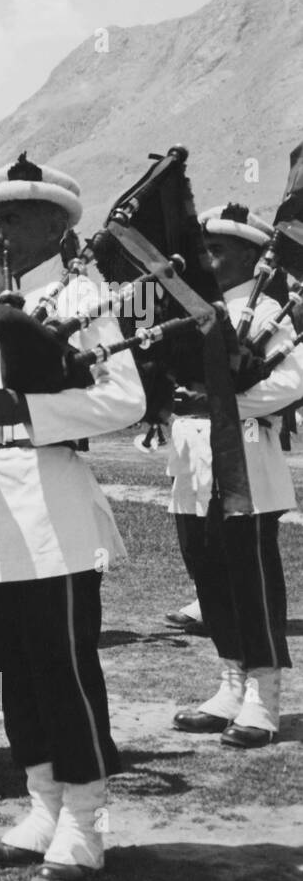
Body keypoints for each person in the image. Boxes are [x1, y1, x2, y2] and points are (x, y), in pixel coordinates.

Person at [0, 154, 143, 881]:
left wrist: (30, 411)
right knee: (15, 670)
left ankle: (87, 823)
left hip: (52, 507)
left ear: (57, 225)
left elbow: (126, 400)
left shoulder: (82, 298)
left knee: (64, 668)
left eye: (17, 217)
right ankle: (42, 805)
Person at [170, 204, 301, 748]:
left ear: (250, 255)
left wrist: (223, 399)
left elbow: (290, 382)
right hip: (192, 460)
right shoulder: (193, 306)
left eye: (218, 249)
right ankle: (230, 683)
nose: (207, 258)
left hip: (245, 455)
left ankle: (263, 699)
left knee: (251, 578)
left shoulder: (273, 310)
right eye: (205, 248)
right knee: (209, 574)